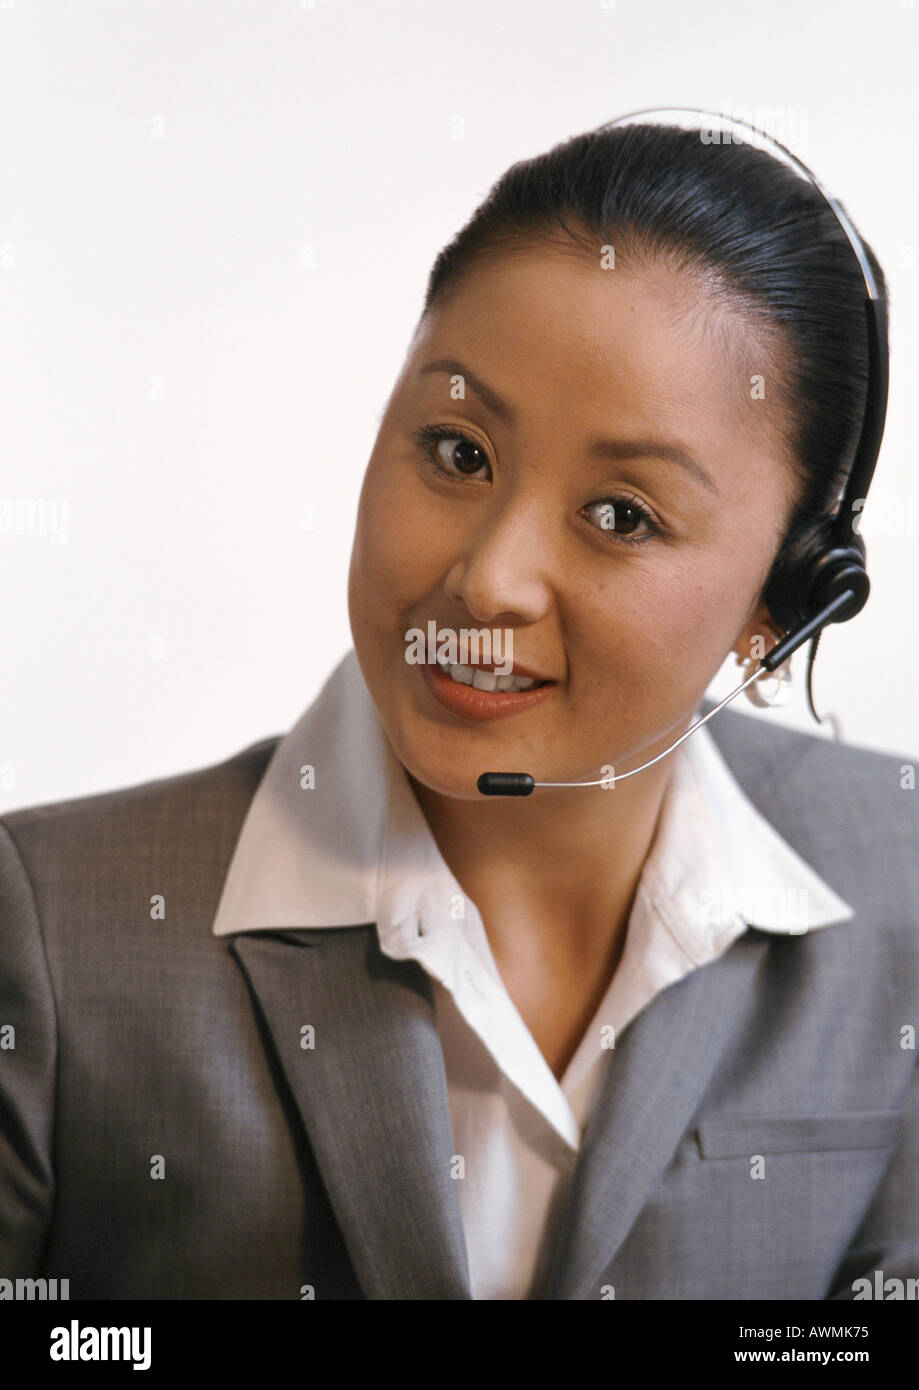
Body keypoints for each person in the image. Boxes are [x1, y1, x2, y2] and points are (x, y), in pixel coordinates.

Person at [1, 119, 916, 1302]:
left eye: (622, 514)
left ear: (781, 607)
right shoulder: (49, 929)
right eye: (457, 449)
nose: (488, 579)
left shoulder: (902, 883)